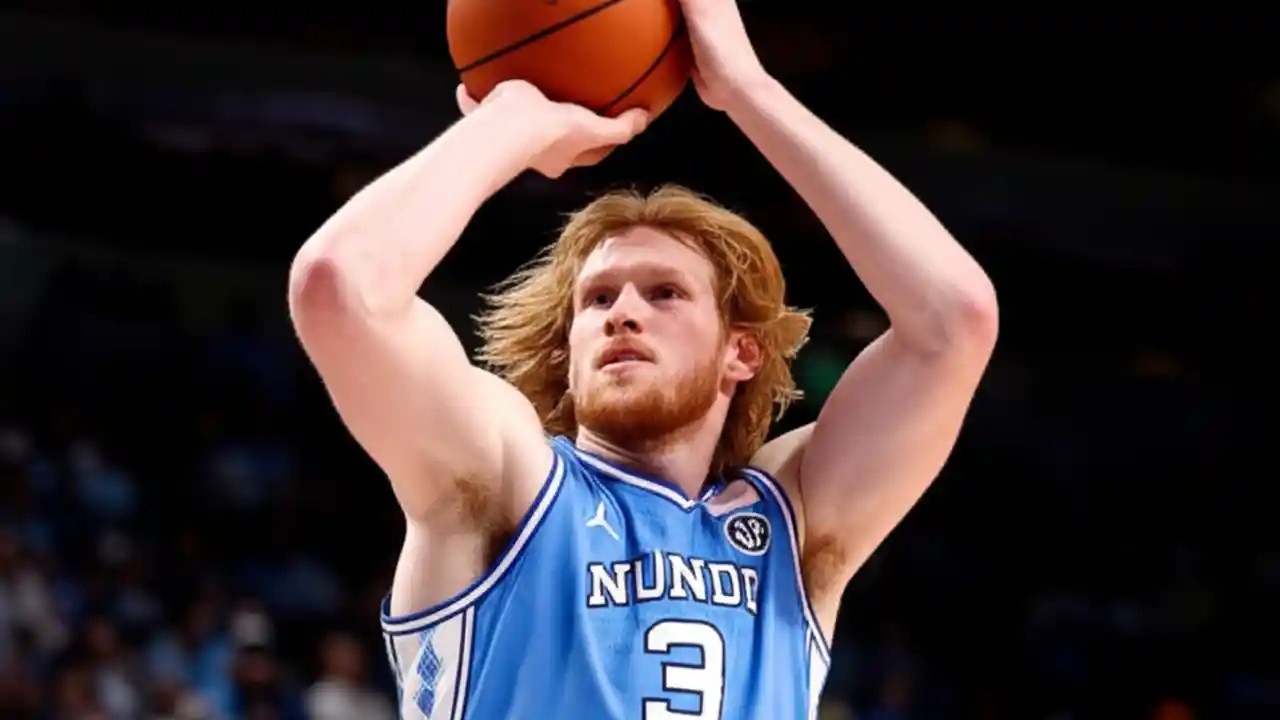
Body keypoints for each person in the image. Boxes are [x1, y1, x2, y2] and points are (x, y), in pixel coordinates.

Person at [287, 0, 999, 717]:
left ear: (740, 353)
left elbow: (955, 320)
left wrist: (751, 93)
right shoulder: (506, 483)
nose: (623, 312)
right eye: (596, 301)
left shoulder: (795, 521)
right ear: (569, 354)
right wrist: (513, 118)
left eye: (665, 293)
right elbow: (341, 288)